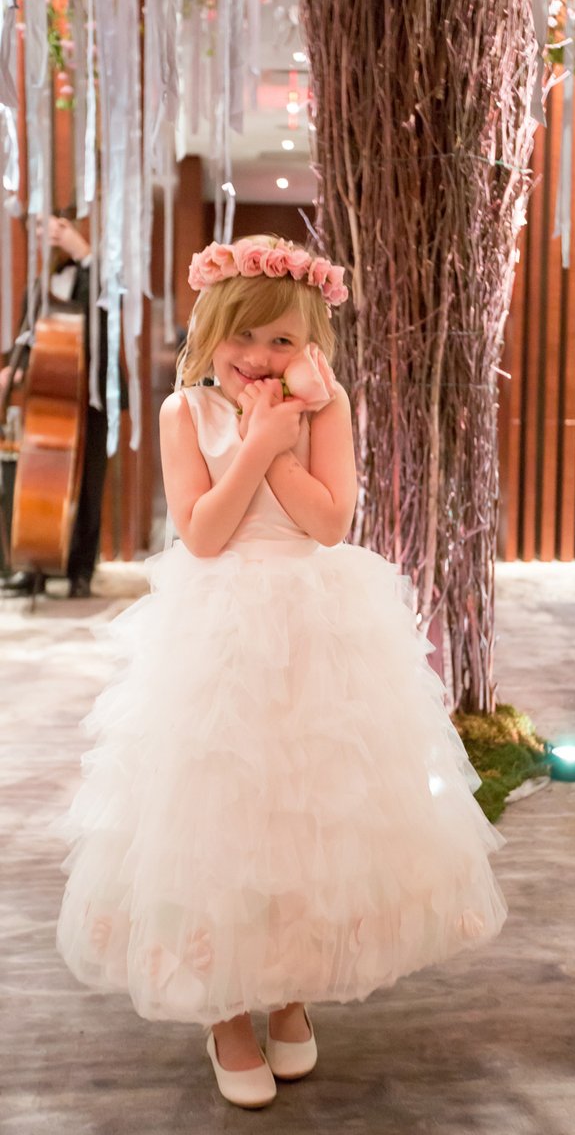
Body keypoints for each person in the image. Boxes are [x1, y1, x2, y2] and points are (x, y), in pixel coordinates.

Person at [56, 235, 507, 1109]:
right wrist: (258, 442)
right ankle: (223, 1008)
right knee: (221, 808)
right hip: (217, 631)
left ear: (310, 345)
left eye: (283, 342)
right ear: (211, 328)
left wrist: (284, 439)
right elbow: (205, 532)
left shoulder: (326, 406)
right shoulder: (183, 414)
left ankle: (290, 984)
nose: (262, 358)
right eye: (245, 337)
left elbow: (330, 523)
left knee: (306, 809)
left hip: (313, 622)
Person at [1, 214, 109, 598]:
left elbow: (106, 314)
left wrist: (86, 254)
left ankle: (81, 571)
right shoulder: (37, 286)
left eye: (58, 228)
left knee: (89, 483)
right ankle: (34, 567)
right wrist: (12, 372)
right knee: (39, 479)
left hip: (92, 392)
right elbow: (27, 338)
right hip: (49, 394)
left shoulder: (98, 274)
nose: (51, 237)